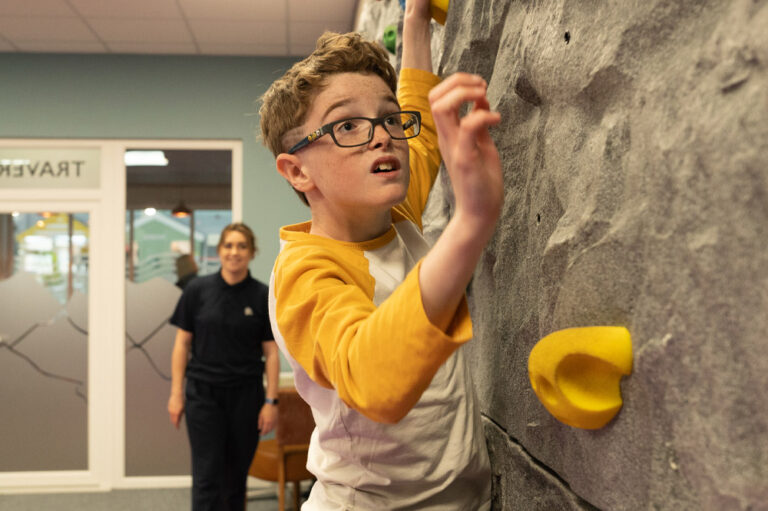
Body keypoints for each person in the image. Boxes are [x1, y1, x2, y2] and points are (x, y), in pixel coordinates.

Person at [258, 0, 503, 508]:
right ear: (297, 171)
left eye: (390, 120)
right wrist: (470, 222)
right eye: (347, 126)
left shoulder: (393, 215)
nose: (382, 138)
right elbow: (371, 376)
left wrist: (414, 20)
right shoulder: (306, 273)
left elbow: (421, 121)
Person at [167, 222, 279, 511]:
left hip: (246, 397)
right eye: (228, 245)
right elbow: (181, 345)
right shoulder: (197, 291)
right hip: (203, 396)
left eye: (242, 246)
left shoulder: (261, 295)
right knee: (207, 477)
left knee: (235, 479)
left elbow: (272, 352)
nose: (234, 252)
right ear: (219, 251)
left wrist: (271, 401)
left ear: (252, 252)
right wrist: (176, 393)